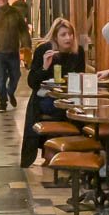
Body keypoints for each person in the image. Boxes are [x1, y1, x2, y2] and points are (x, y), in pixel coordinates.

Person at [20, 18, 84, 166]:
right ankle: (54, 150)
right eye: (63, 34)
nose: (68, 38)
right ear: (55, 37)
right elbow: (32, 82)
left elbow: (80, 76)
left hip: (72, 98)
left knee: (79, 112)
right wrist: (44, 67)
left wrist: (81, 78)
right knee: (60, 110)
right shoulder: (44, 50)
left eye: (70, 34)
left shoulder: (78, 52)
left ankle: (69, 152)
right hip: (46, 98)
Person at [0, 0, 32, 111]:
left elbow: (23, 30)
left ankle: (10, 91)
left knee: (16, 75)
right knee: (1, 78)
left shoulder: (15, 13)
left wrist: (26, 46)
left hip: (13, 51)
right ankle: (2, 102)